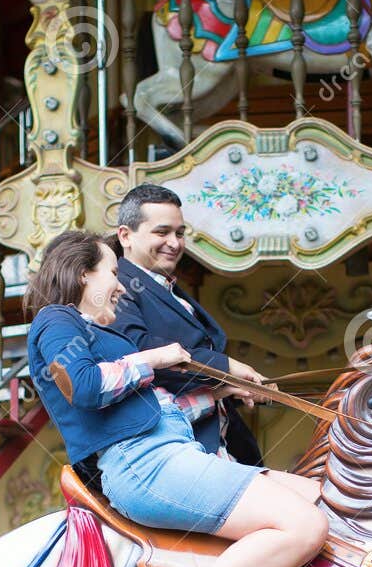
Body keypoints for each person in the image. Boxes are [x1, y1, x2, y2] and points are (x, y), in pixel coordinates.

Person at [26, 230, 328, 567]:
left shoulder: (100, 332)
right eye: (111, 273)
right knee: (303, 525)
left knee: (318, 496)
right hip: (143, 465)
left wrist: (220, 393)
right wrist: (155, 357)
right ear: (83, 275)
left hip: (168, 454)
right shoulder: (55, 321)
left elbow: (156, 410)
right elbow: (82, 387)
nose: (121, 286)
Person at [112, 184, 264, 463]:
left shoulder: (166, 289)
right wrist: (227, 368)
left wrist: (226, 385)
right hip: (175, 449)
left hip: (215, 441)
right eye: (162, 232)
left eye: (180, 234)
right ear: (125, 235)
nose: (175, 243)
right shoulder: (118, 288)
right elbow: (139, 350)